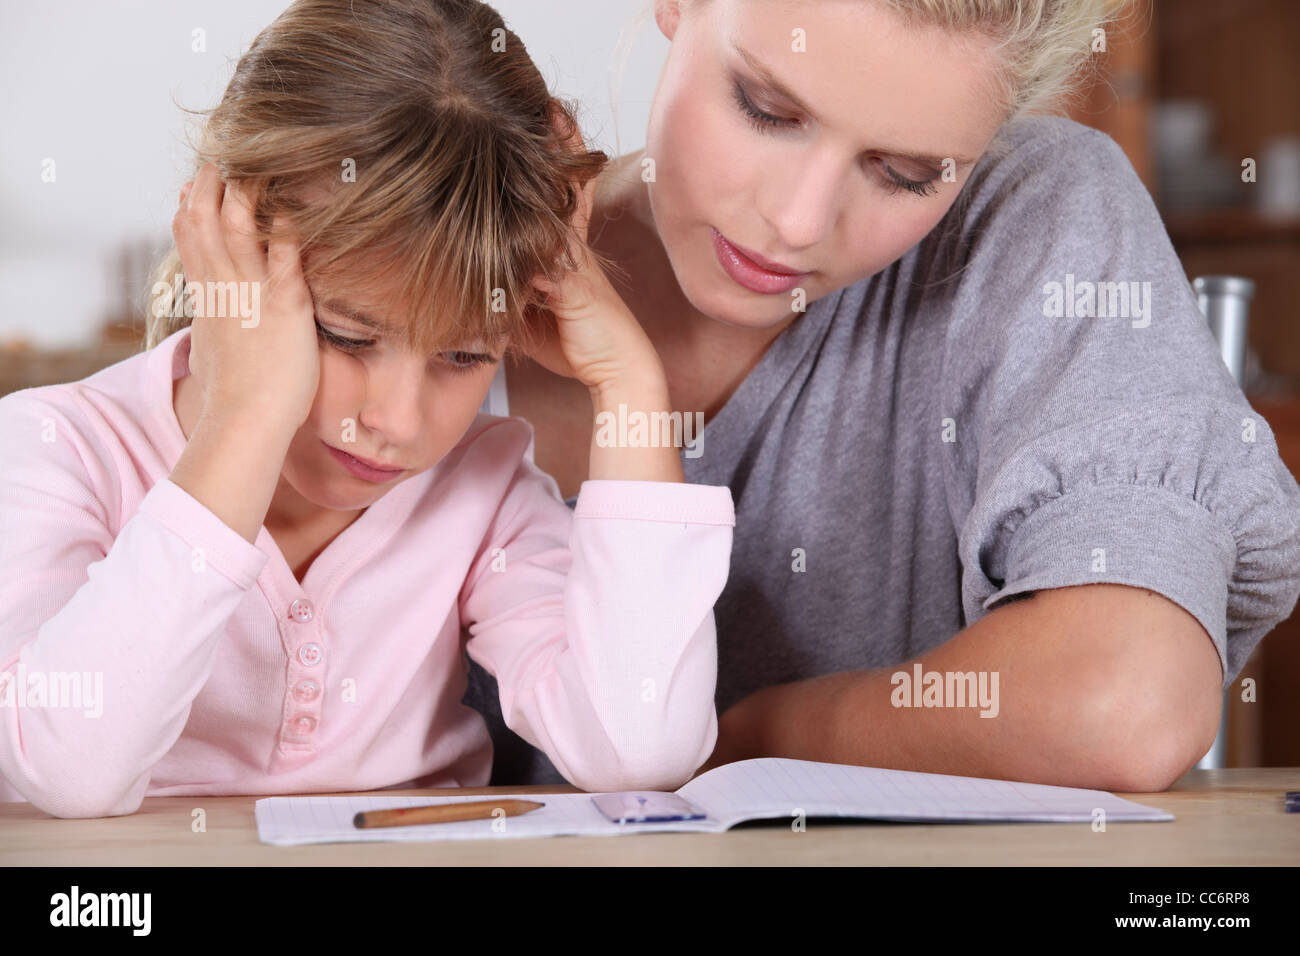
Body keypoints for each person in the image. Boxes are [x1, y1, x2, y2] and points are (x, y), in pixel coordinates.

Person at [464, 0, 1300, 791]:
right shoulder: (422, 249)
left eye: (905, 173)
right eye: (766, 109)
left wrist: (733, 743)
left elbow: (1126, 701)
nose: (798, 221)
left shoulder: (1030, 213)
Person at [0, 0, 736, 818]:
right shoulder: (54, 447)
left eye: (463, 356)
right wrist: (245, 420)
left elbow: (639, 746)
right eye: (347, 337)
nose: (395, 422)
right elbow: (68, 770)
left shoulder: (482, 487)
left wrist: (630, 382)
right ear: (224, 245)